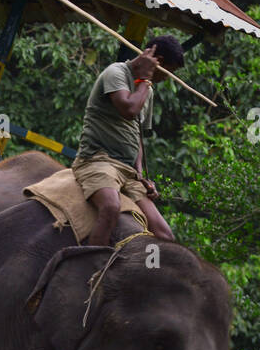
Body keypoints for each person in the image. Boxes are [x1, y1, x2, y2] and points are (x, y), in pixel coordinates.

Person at [73, 36, 184, 246]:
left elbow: (137, 133)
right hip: (98, 161)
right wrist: (144, 79)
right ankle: (91, 266)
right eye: (169, 71)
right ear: (156, 62)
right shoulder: (117, 73)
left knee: (164, 236)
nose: (168, 78)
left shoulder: (146, 90)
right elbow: (129, 110)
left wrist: (140, 174)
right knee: (110, 207)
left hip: (127, 172)